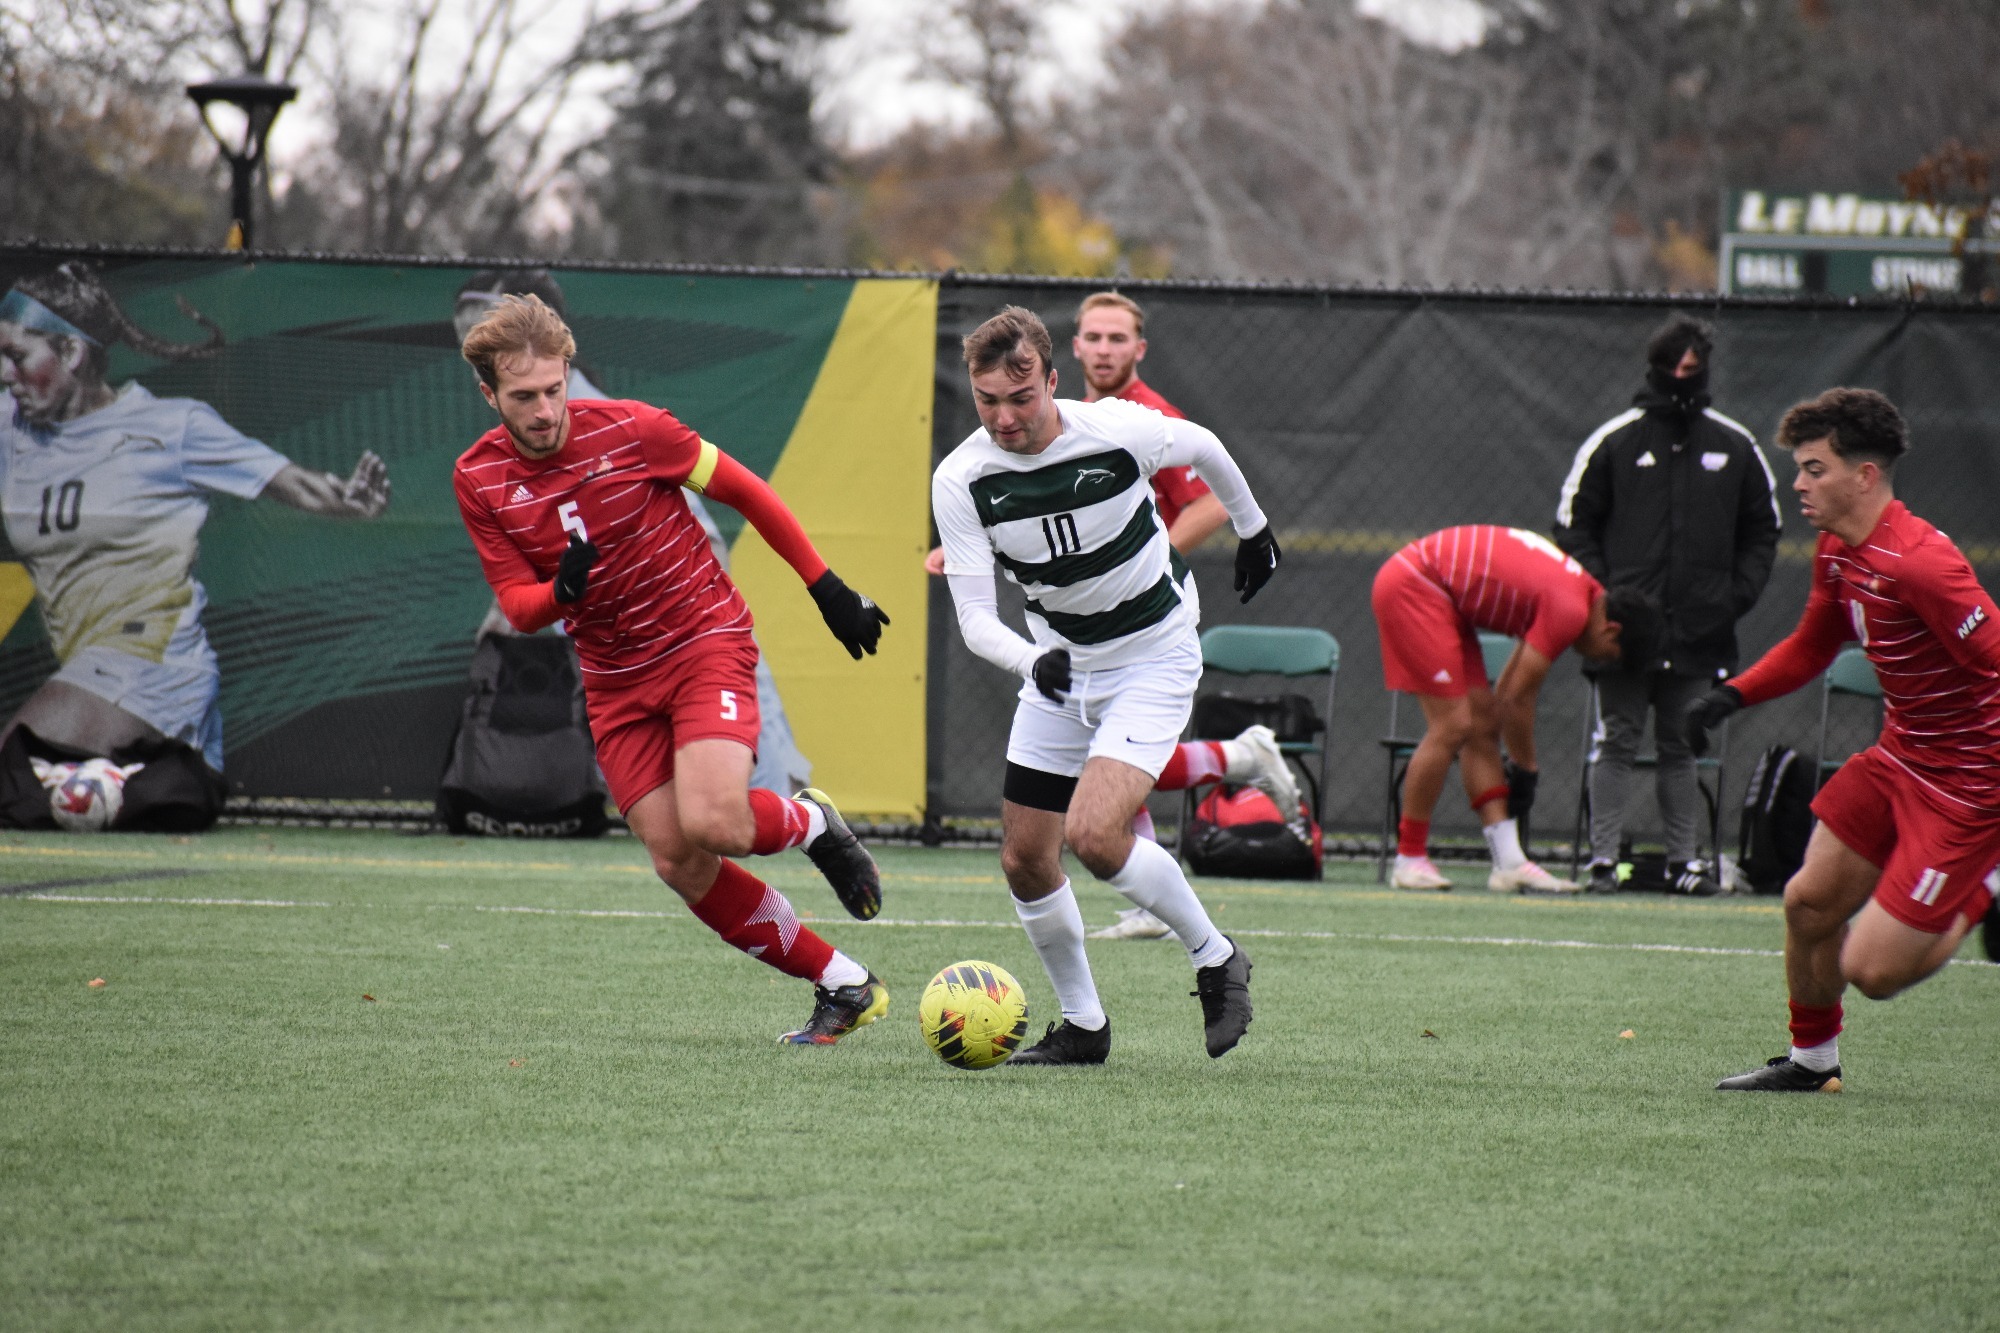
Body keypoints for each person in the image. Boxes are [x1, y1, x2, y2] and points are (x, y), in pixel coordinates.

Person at [453, 295, 893, 1047]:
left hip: (702, 640)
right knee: (677, 857)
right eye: (522, 396)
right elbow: (519, 607)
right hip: (616, 679)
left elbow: (746, 491)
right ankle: (844, 983)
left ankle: (813, 820)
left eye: (554, 389)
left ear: (569, 375)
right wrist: (562, 590)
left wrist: (826, 586)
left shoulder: (635, 429)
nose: (544, 409)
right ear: (489, 394)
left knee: (717, 819)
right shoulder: (479, 478)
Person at [931, 304, 1281, 1065]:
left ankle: (1216, 955)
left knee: (1094, 833)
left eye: (1021, 399)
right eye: (988, 401)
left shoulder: (1118, 428)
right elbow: (974, 620)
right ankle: (1084, 1025)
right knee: (1026, 856)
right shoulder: (962, 478)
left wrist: (1254, 531)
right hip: (1057, 668)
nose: (1005, 417)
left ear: (1054, 381)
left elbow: (1208, 446)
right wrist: (1031, 662)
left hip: (1153, 655)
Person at [1686, 388, 2000, 1093]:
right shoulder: (1839, 547)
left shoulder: (1922, 564)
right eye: (1798, 468)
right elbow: (1810, 647)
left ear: (1865, 475)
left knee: (1874, 971)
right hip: (1900, 756)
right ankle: (1812, 1063)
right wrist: (1729, 696)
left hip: (1972, 783)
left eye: (1814, 468)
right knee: (1808, 901)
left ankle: (1987, 884)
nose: (1798, 483)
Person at [0, 261, 390, 774]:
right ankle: (154, 782)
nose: (5, 373)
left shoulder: (170, 428)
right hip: (85, 668)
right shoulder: (12, 425)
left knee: (8, 775)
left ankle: (148, 774)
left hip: (153, 664)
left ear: (71, 351)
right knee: (38, 790)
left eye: (16, 356)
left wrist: (346, 498)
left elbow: (288, 480)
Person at [453, 269, 811, 794]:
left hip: (685, 613)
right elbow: (538, 553)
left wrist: (691, 612)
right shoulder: (497, 440)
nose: (543, 407)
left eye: (487, 316)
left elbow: (728, 499)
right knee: (674, 835)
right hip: (617, 642)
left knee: (734, 798)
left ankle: (792, 799)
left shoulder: (606, 420)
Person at [1555, 313, 1780, 895]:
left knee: (1682, 745)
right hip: (1624, 634)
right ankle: (1602, 863)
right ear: (1655, 366)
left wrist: (1732, 598)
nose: (1683, 375)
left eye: (1692, 366)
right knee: (1618, 739)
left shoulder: (1734, 445)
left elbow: (1763, 530)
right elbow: (1572, 526)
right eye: (1673, 365)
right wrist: (1611, 603)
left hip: (1701, 630)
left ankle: (1686, 865)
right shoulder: (1616, 440)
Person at [1374, 525, 1662, 894]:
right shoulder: (1571, 608)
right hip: (1415, 584)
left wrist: (1520, 762)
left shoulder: (1581, 592)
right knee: (1452, 725)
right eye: (1613, 657)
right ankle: (1409, 858)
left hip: (1438, 592)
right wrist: (1526, 768)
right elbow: (1517, 700)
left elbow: (1507, 692)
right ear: (1612, 631)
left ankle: (1509, 862)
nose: (1604, 662)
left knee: (1481, 724)